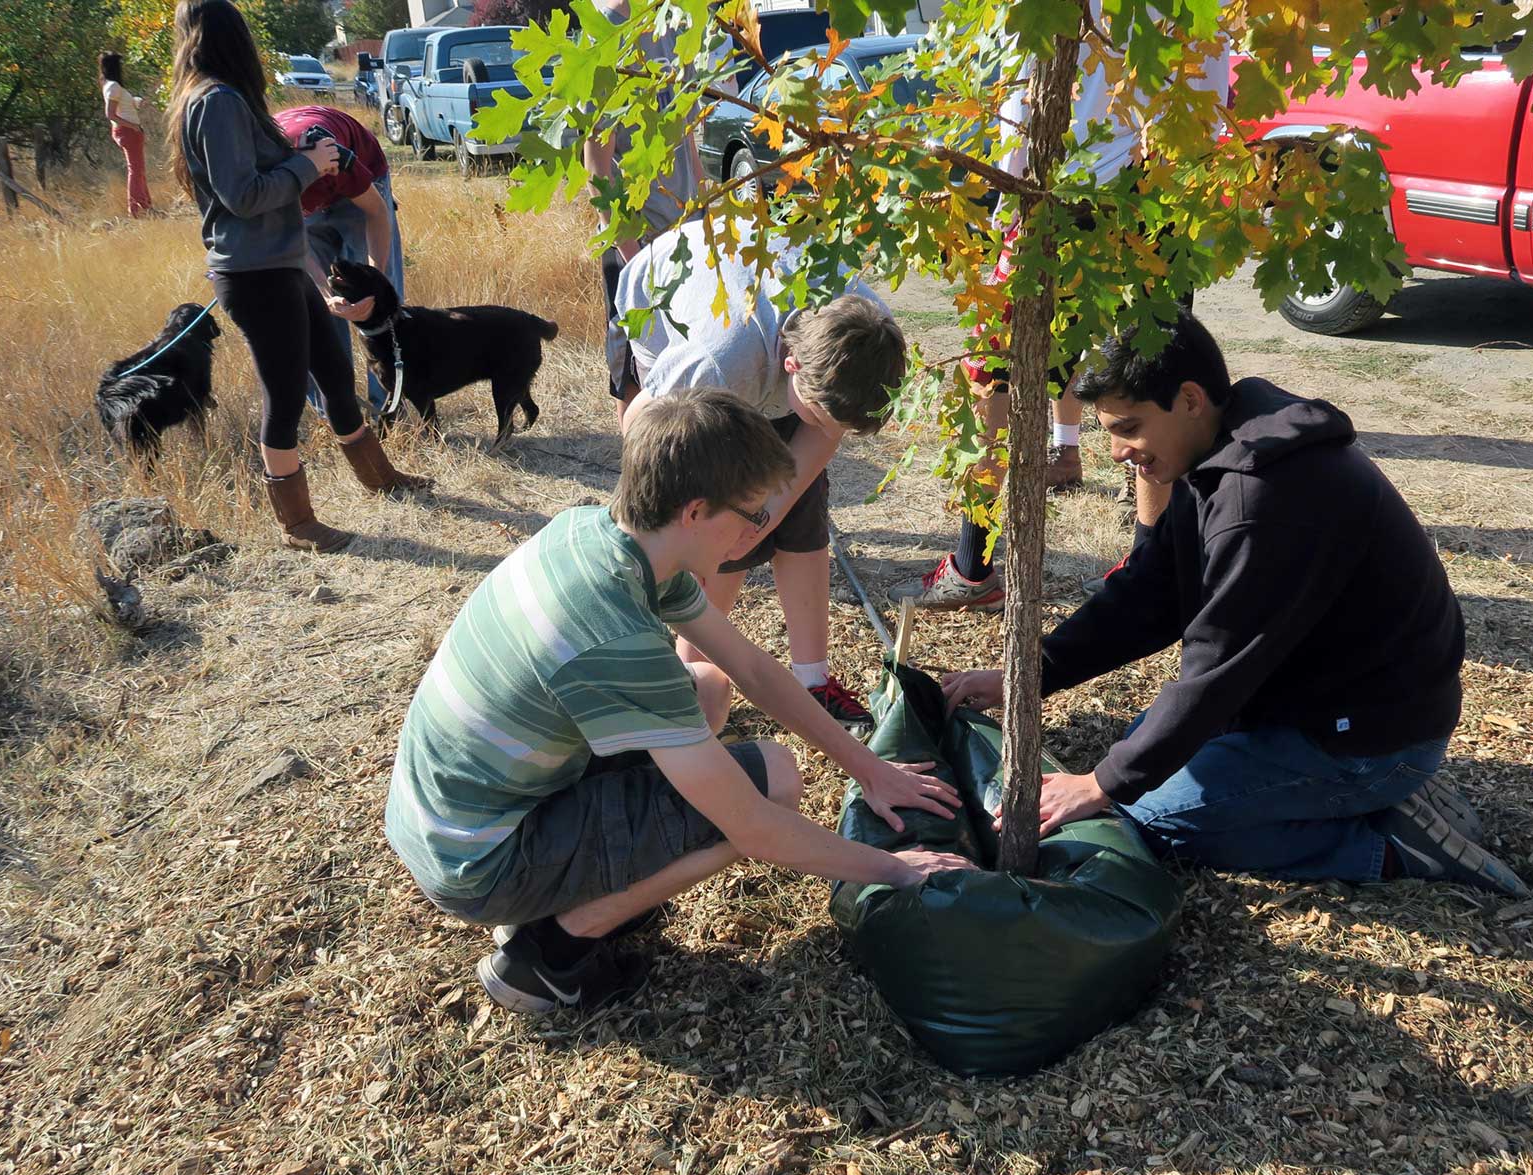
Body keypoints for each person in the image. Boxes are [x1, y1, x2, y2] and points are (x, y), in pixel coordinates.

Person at [385, 390, 970, 1013]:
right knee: (773, 781)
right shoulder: (616, 638)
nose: (758, 530)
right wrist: (901, 871)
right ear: (694, 511)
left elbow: (746, 666)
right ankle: (549, 953)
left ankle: (570, 896)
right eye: (749, 514)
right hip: (482, 860)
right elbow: (755, 825)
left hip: (452, 814)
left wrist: (869, 768)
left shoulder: (598, 534)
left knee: (710, 690)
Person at [941, 307, 1529, 898]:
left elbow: (1217, 671)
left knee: (1148, 820)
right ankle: (1361, 793)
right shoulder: (1227, 446)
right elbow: (1152, 591)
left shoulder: (1260, 501)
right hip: (1323, 702)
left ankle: (1390, 845)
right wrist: (1032, 674)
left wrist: (1101, 784)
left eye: (1128, 427)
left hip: (1369, 735)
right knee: (1142, 762)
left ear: (1190, 399)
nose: (1118, 451)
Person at [891, 10, 1231, 611]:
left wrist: (1009, 199)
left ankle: (973, 565)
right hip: (1168, 199)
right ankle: (1148, 563)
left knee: (996, 373)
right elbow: (1215, 86)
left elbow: (1034, 94)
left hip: (1072, 194)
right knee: (1151, 375)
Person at [614, 221, 906, 727]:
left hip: (772, 327)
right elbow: (644, 434)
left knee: (795, 505)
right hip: (661, 310)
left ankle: (811, 680)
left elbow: (813, 450)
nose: (824, 430)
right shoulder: (716, 362)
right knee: (714, 506)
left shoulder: (868, 333)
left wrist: (762, 518)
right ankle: (690, 671)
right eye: (818, 416)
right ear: (791, 366)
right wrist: (709, 533)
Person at [166, 0, 429, 553]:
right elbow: (242, 197)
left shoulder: (215, 99)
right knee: (284, 395)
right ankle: (298, 524)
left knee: (334, 371)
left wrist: (298, 158)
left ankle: (380, 477)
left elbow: (252, 180)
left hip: (275, 264)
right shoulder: (217, 102)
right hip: (254, 274)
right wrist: (308, 165)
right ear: (232, 37)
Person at [586, 0, 709, 417]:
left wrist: (705, 215)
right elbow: (597, 169)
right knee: (636, 377)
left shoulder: (678, 30)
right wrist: (633, 256)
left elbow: (688, 140)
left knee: (683, 365)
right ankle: (639, 476)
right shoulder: (605, 38)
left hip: (687, 239)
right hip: (638, 245)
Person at [274, 104, 404, 416]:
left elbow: (376, 214)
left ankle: (389, 406)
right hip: (297, 185)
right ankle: (337, 411)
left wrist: (376, 281)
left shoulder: (338, 160)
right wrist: (326, 293)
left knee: (378, 302)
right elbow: (295, 241)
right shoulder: (269, 173)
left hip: (359, 185)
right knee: (317, 307)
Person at [99, 51, 153, 217]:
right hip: (128, 131)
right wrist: (133, 127)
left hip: (128, 130)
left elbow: (121, 107)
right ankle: (137, 208)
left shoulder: (111, 86)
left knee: (138, 169)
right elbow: (111, 114)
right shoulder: (113, 87)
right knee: (135, 170)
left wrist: (135, 102)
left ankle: (145, 205)